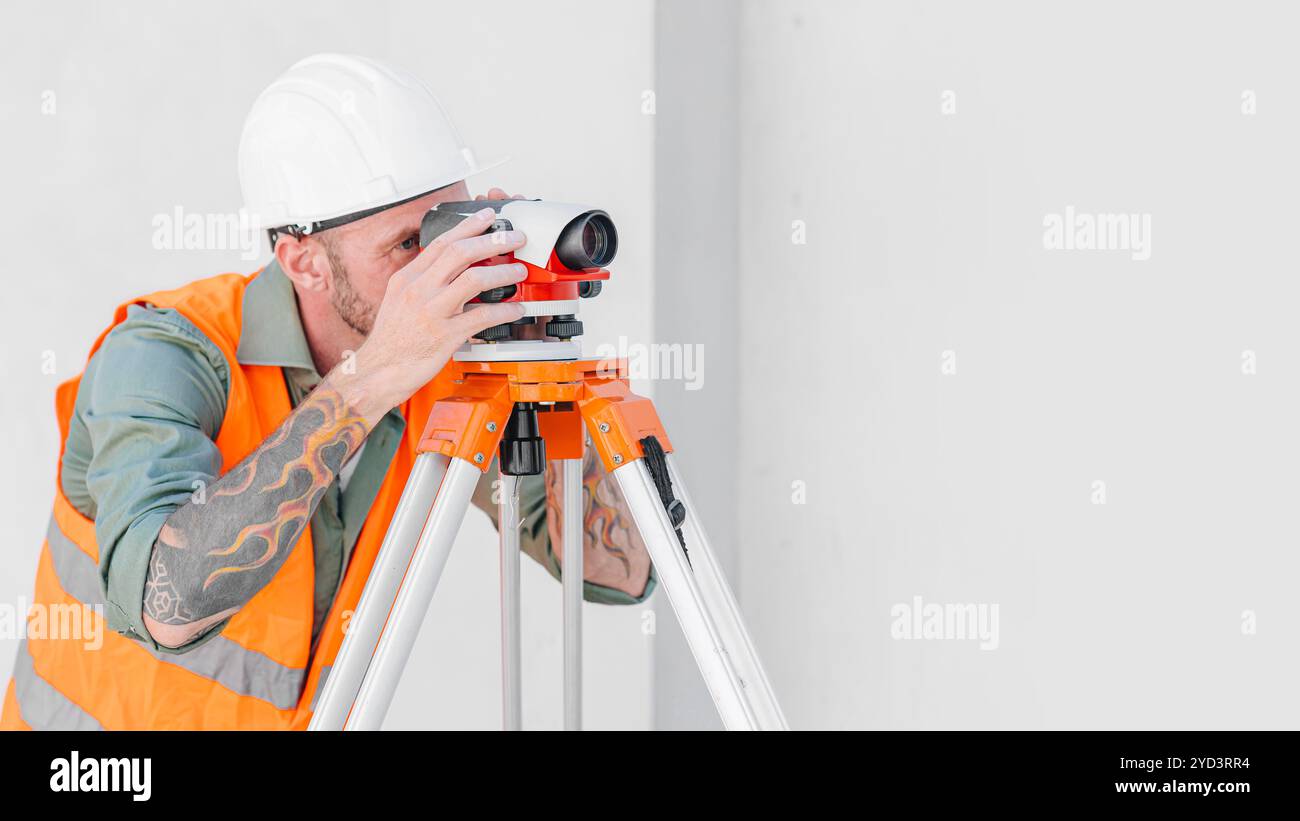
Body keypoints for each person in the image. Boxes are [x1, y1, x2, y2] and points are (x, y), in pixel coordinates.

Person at [1, 53, 652, 731]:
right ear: (304, 261)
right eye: (409, 243)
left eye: (452, 227)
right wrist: (373, 376)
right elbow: (166, 603)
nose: (437, 265)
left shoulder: (448, 379)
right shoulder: (165, 353)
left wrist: (536, 365)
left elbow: (620, 574)